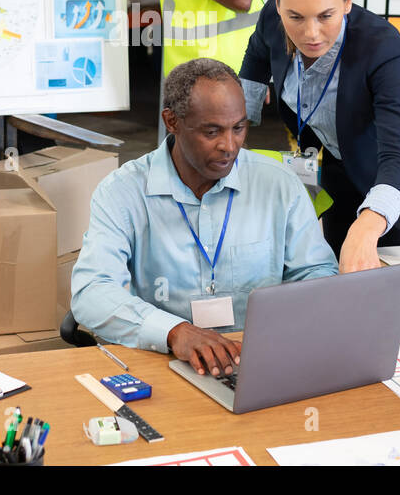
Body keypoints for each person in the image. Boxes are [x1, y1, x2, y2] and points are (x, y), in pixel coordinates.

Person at [70, 58, 338, 378]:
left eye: (238, 128)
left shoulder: (279, 184)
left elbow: (317, 272)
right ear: (172, 121)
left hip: (258, 360)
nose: (229, 146)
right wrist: (173, 332)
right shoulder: (122, 192)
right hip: (164, 362)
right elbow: (91, 292)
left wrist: (284, 332)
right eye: (212, 131)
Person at [239, 0, 400, 273]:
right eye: (296, 17)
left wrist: (369, 224)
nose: (311, 34)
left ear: (347, 1)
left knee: (391, 274)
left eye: (326, 16)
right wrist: (237, 127)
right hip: (336, 155)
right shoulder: (272, 17)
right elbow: (256, 56)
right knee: (336, 263)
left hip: (397, 164)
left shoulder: (383, 50)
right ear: (279, 4)